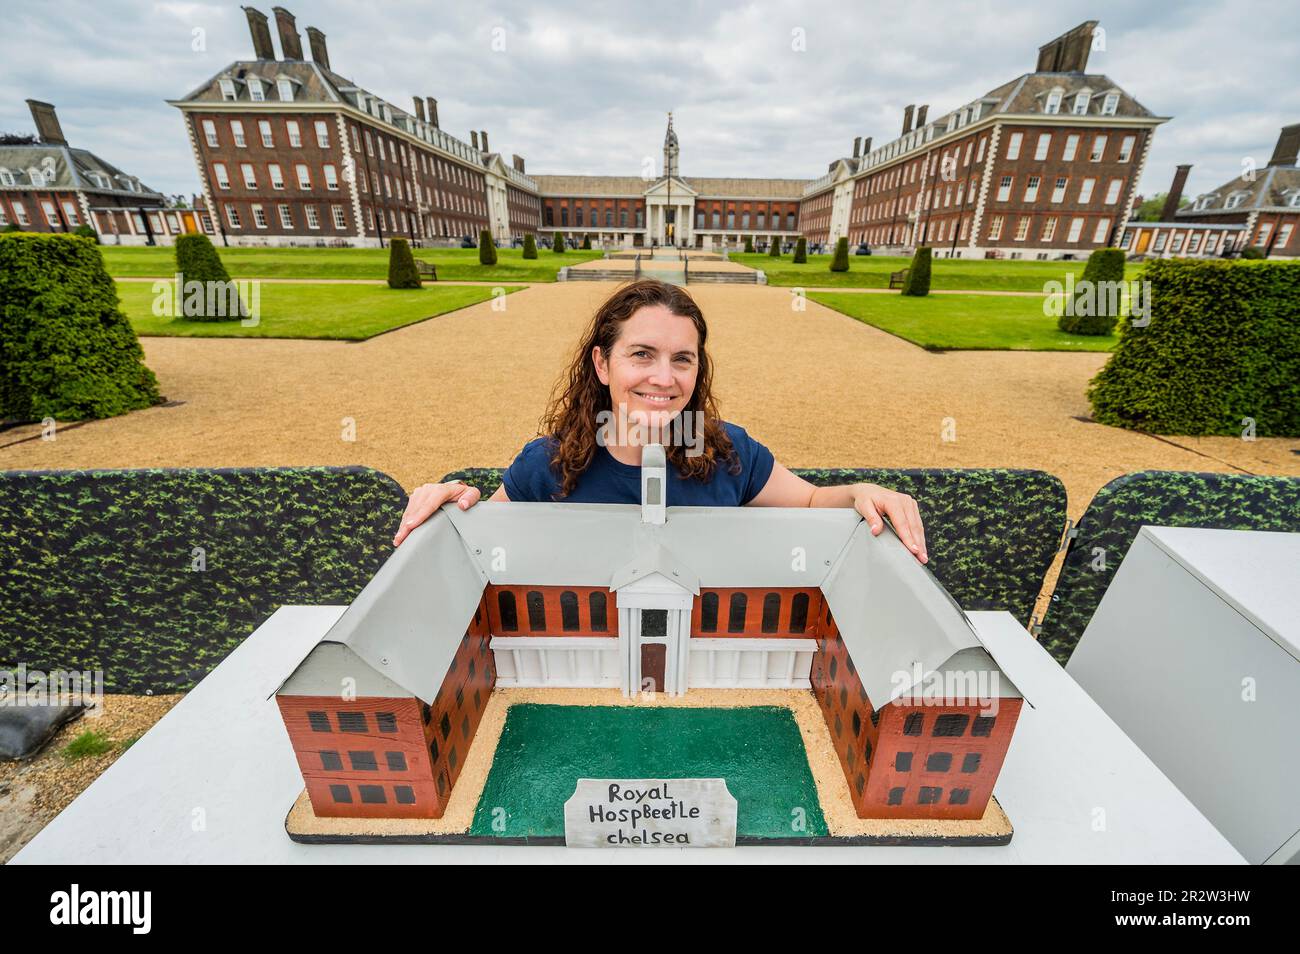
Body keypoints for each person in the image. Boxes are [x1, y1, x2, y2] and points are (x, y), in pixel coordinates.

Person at [393, 279, 927, 563]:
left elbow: (811, 502)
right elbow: (482, 549)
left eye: (682, 359)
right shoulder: (546, 465)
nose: (664, 378)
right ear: (602, 364)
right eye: (642, 354)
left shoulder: (728, 452)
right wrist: (453, 506)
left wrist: (860, 492)